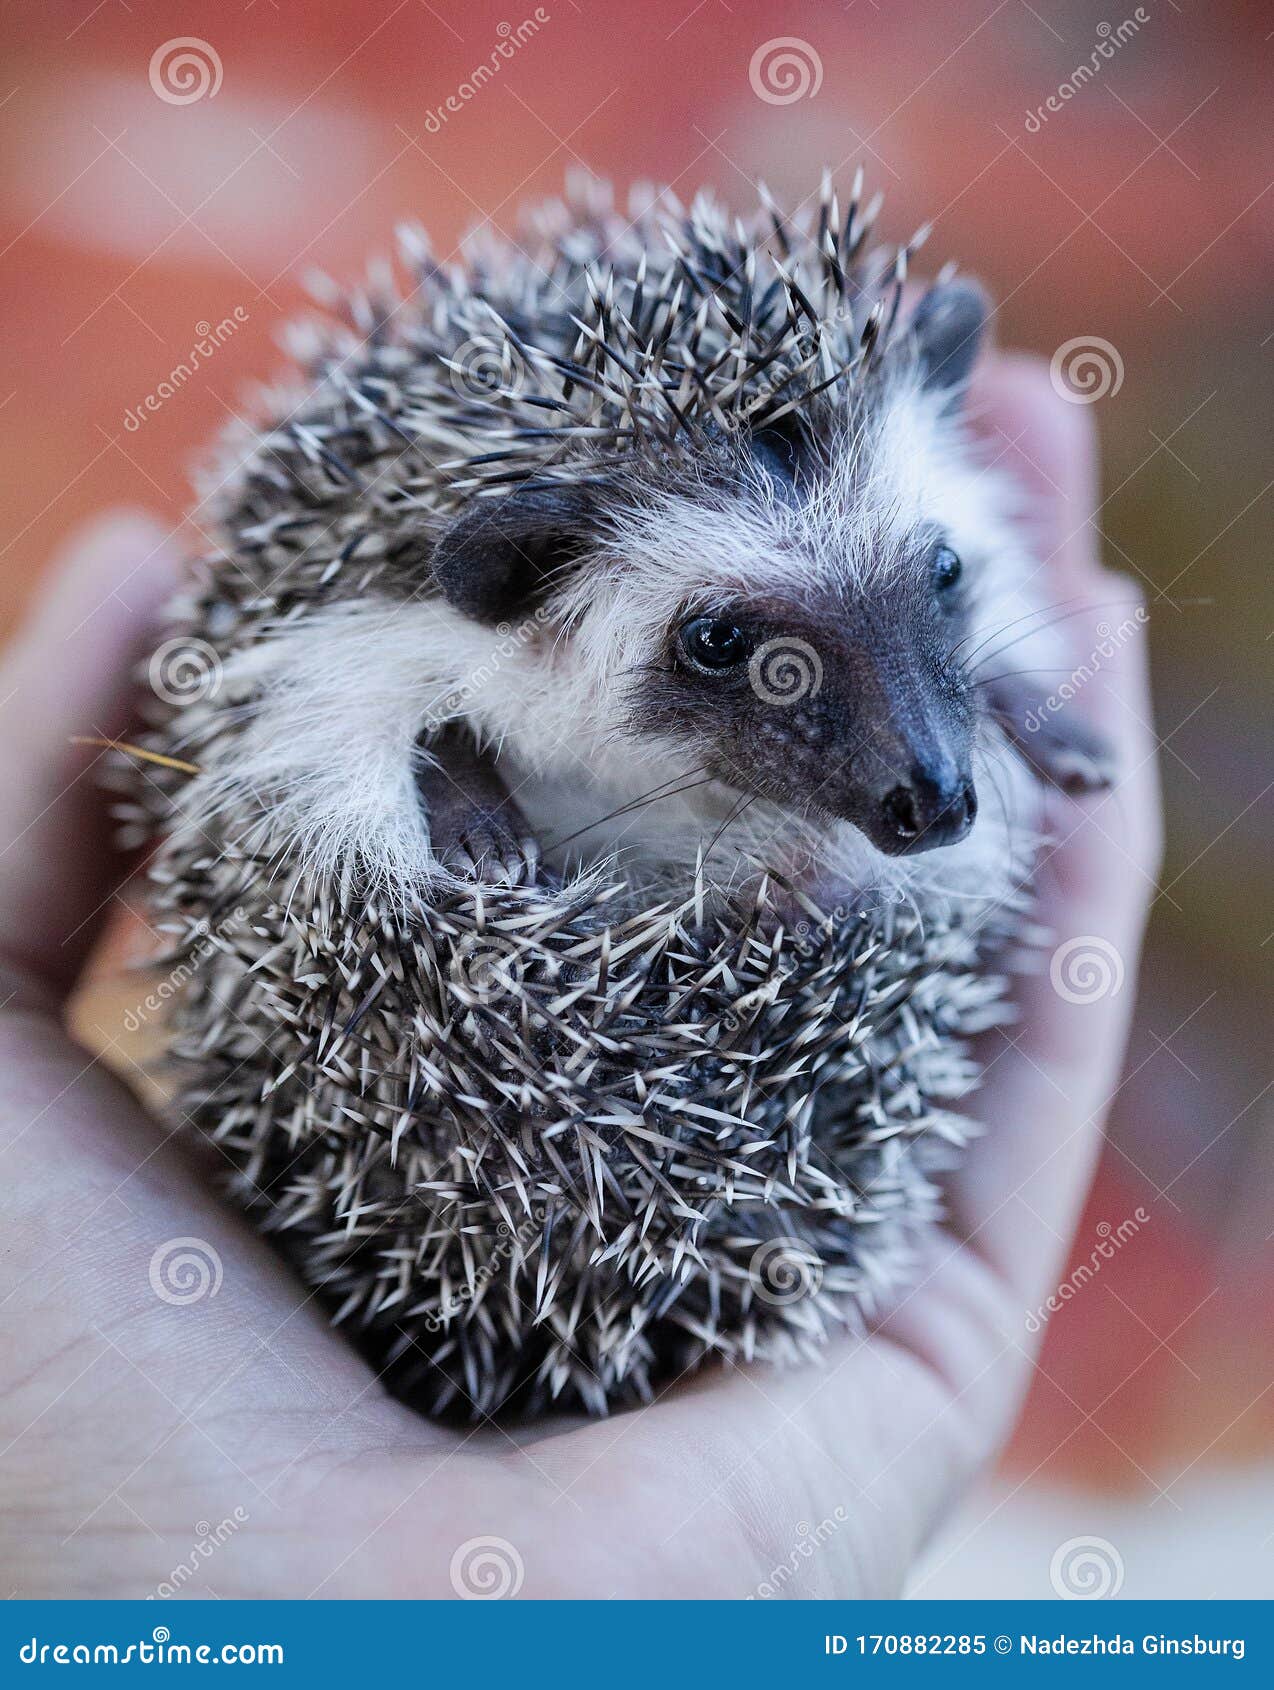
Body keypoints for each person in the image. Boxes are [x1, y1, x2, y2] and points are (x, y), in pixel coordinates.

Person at [0, 355, 1160, 1599]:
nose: (925, 767)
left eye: (929, 582)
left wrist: (980, 679)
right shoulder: (372, 688)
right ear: (523, 594)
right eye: (724, 641)